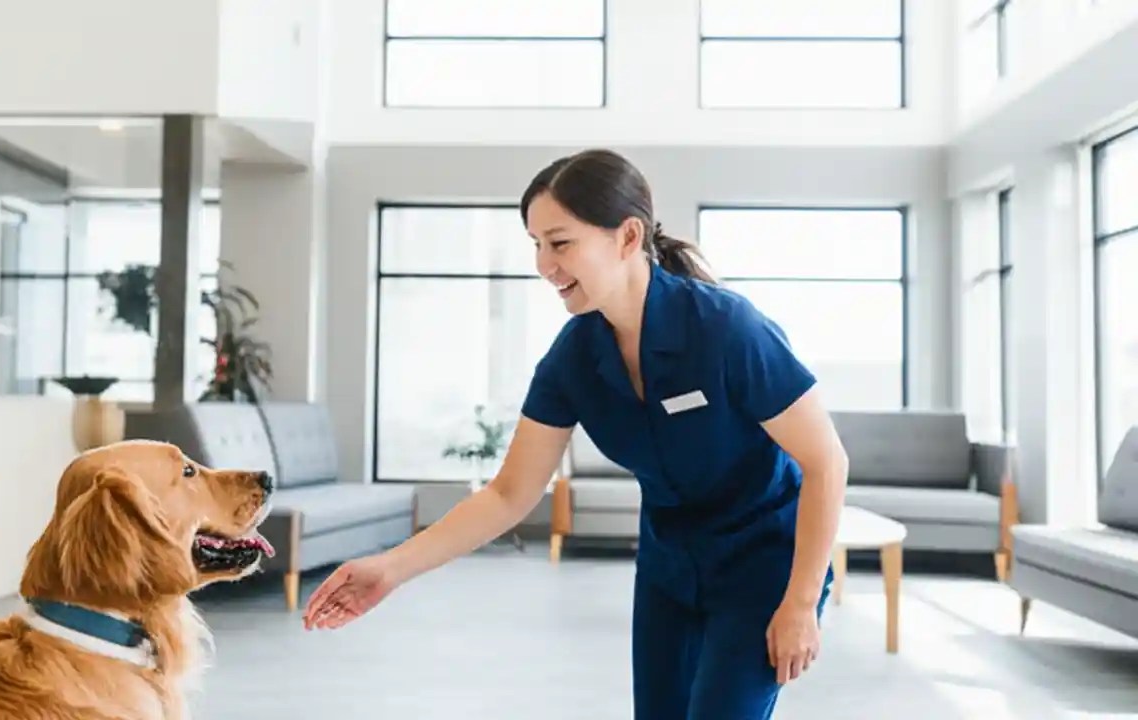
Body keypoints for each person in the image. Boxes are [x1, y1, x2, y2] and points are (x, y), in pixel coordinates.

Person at [303, 148, 849, 719]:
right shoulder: (574, 359)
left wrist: (800, 603)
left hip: (764, 567)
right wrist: (389, 568)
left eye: (560, 243)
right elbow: (508, 494)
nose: (544, 264)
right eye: (536, 244)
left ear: (628, 236)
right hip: (670, 570)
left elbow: (825, 462)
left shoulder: (726, 330)